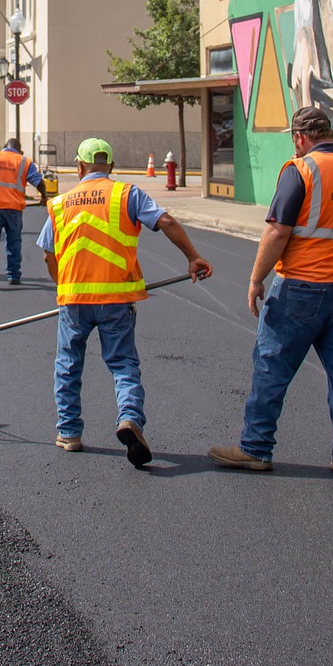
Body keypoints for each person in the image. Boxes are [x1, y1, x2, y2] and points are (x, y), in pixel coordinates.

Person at [210, 106, 333, 478]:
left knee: (271, 367)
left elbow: (277, 231)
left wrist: (256, 279)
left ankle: (255, 447)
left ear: (300, 138)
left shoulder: (300, 170)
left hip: (301, 289)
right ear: (330, 134)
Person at [40, 138, 211, 468]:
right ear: (112, 167)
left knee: (68, 363)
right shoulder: (127, 194)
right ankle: (130, 418)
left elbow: (49, 254)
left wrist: (63, 287)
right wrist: (193, 257)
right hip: (116, 299)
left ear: (79, 167)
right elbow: (167, 222)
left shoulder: (60, 204)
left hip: (75, 300)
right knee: (122, 365)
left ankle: (69, 433)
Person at [0, 136, 45, 289]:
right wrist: (44, 197)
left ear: (4, 146)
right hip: (14, 210)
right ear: (19, 150)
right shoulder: (24, 161)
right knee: (14, 242)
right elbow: (38, 181)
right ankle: (13, 275)